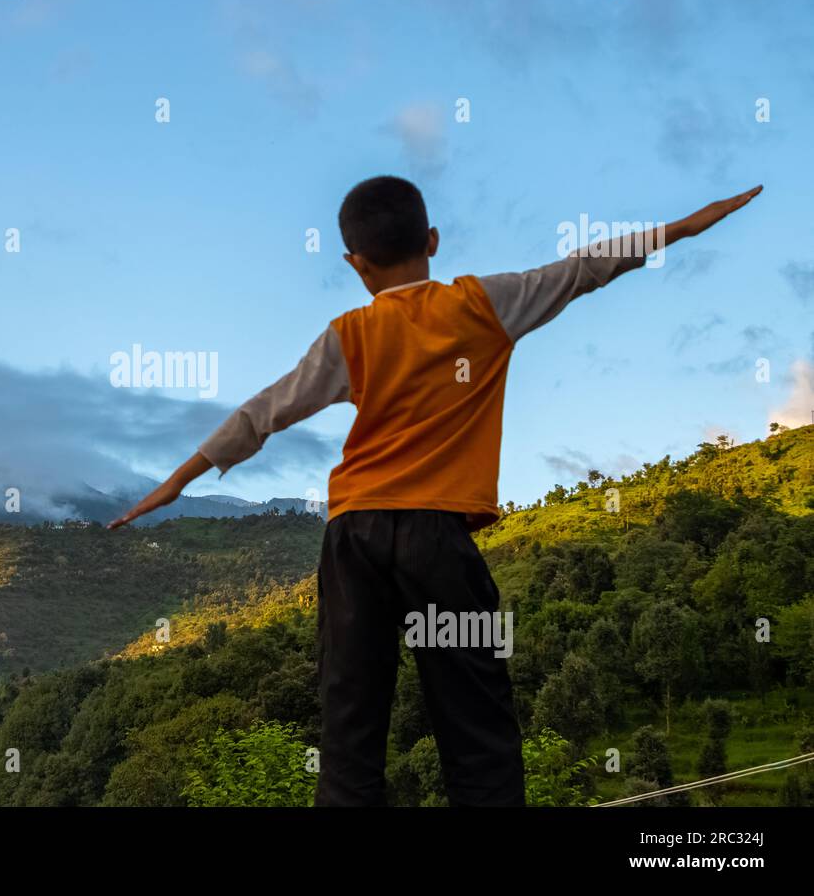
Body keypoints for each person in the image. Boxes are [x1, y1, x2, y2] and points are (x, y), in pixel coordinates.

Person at [109, 176, 762, 805]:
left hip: (354, 537)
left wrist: (176, 482)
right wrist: (693, 221)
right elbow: (589, 266)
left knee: (349, 731)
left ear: (355, 263)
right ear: (434, 239)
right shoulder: (485, 305)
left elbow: (263, 413)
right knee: (476, 727)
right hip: (436, 541)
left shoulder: (350, 334)